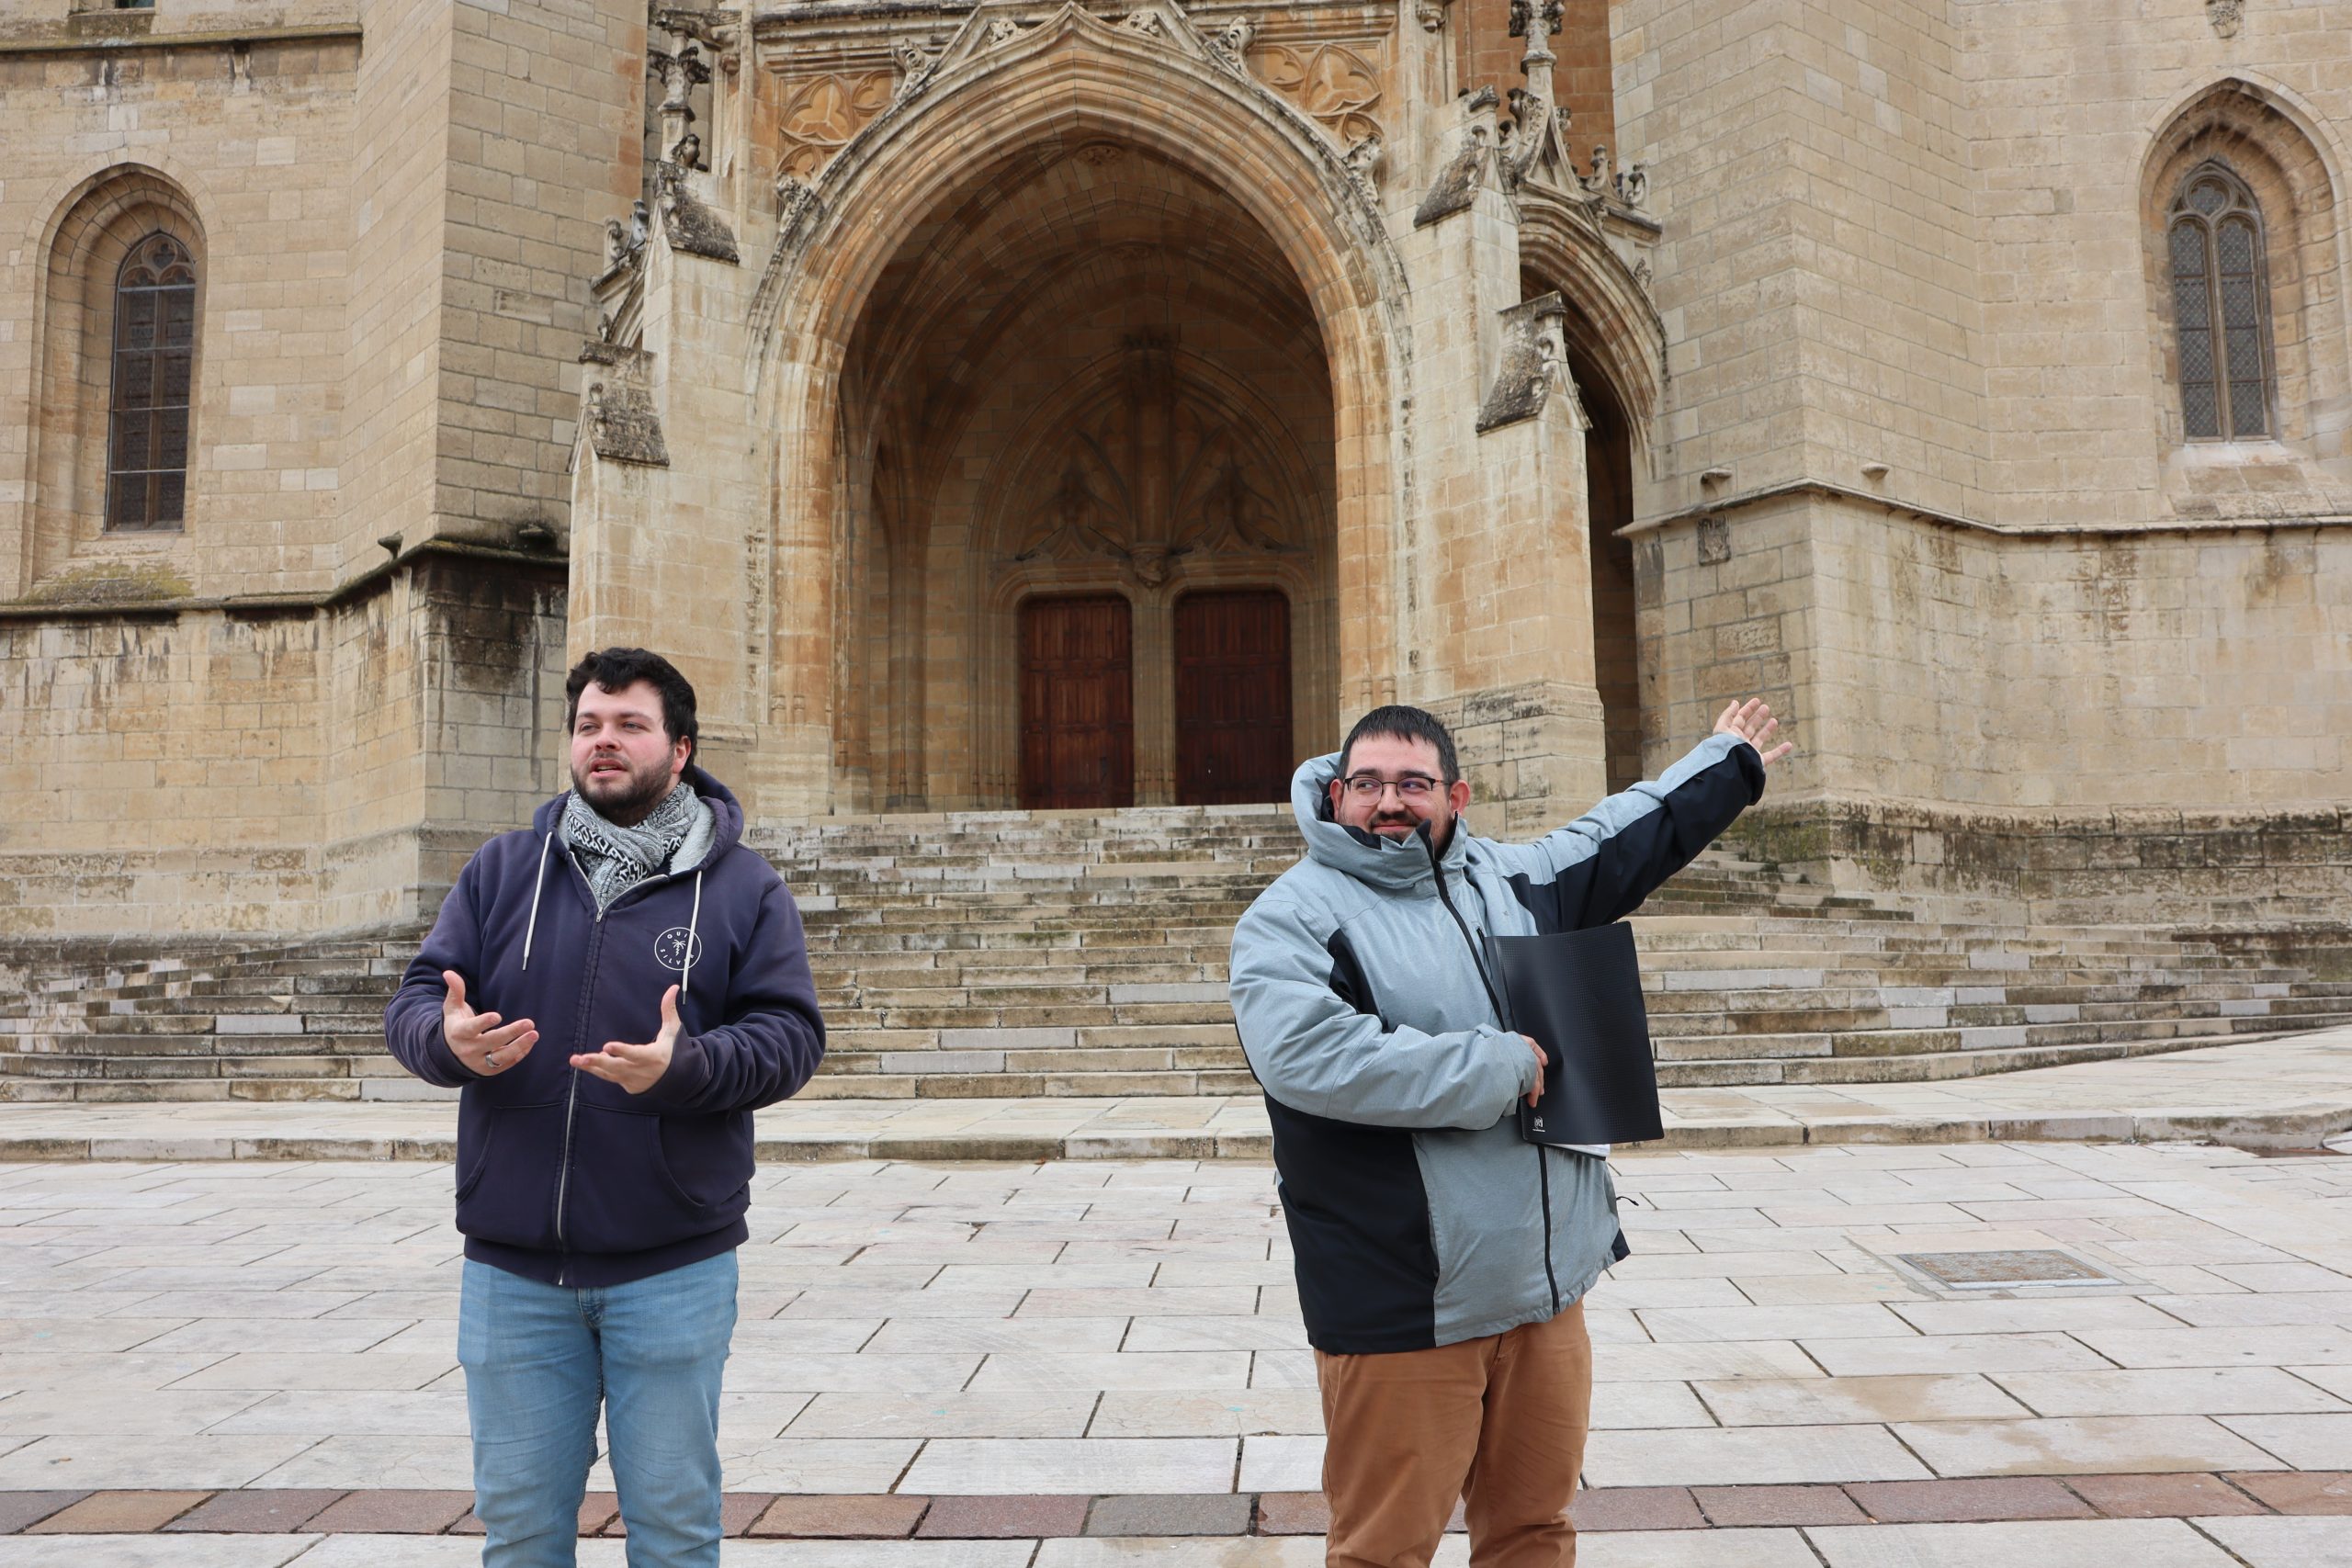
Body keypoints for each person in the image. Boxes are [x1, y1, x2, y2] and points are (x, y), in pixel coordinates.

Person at [1227, 699, 1791, 1568]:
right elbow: (1308, 1055)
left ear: (1456, 794)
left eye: (1413, 783)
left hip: (1542, 1297)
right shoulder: (1291, 915)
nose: (1390, 802)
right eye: (1369, 783)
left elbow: (1621, 835)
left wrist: (1727, 763)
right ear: (1337, 793)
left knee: (1533, 1534)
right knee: (1383, 1549)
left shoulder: (1514, 877)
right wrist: (1489, 1068)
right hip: (1405, 1304)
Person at [384, 647, 826, 1568]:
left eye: (629, 725)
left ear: (680, 747)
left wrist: (687, 1066)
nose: (604, 742)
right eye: (588, 725)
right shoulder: (502, 871)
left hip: (670, 1267)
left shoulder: (746, 889)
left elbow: (790, 1038)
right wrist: (443, 1040)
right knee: (518, 1537)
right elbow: (419, 997)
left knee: (670, 1534)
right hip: (512, 1275)